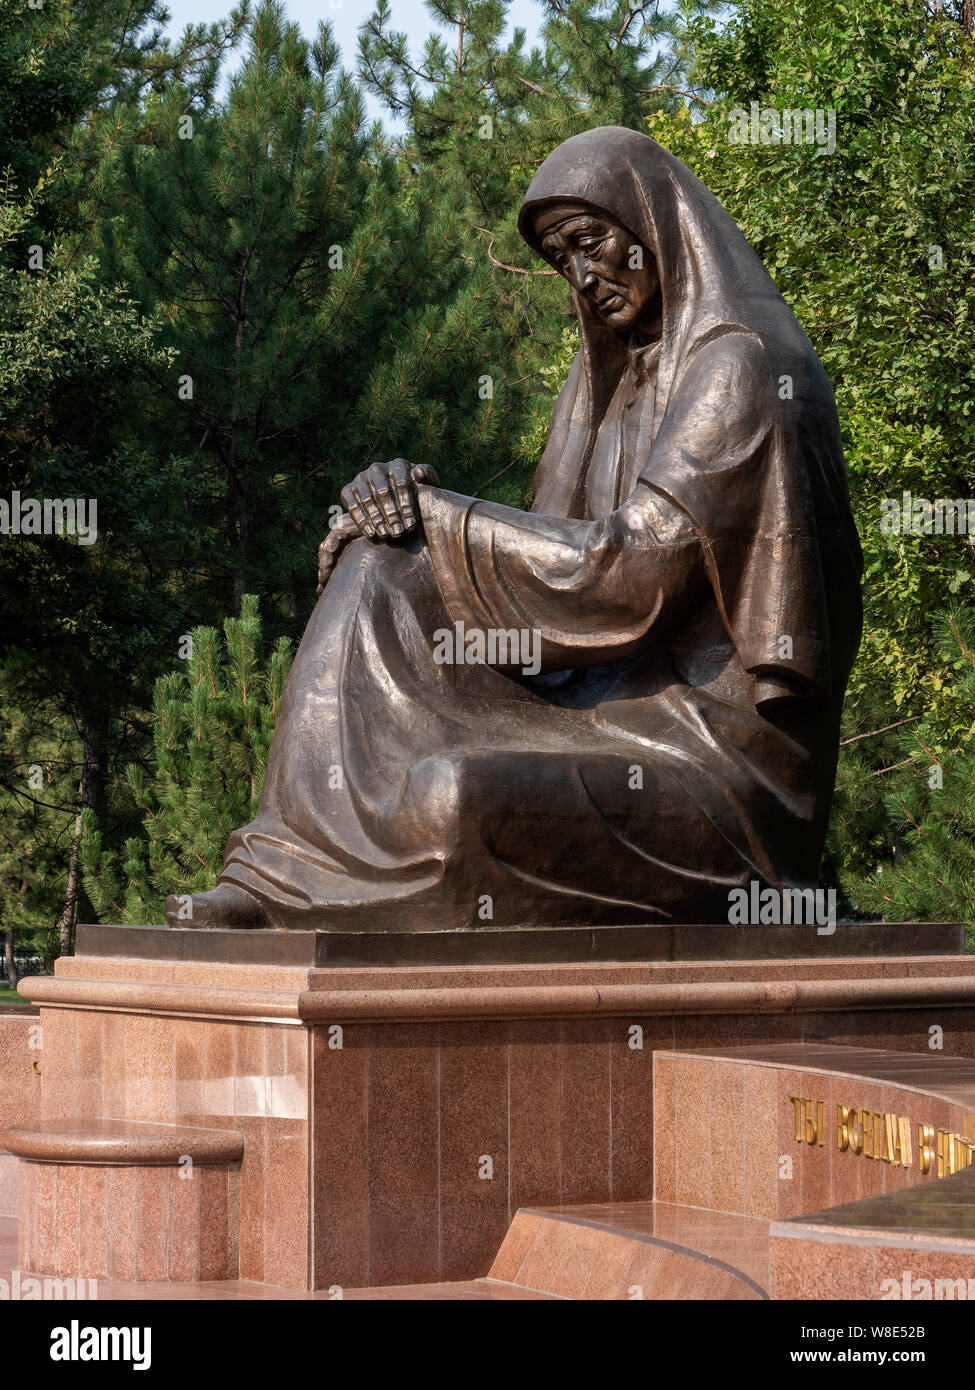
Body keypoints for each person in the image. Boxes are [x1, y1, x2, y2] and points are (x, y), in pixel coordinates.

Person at [166, 126, 862, 932]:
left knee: (453, 798)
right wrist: (407, 514)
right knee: (379, 558)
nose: (582, 273)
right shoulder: (618, 382)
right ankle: (273, 868)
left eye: (591, 241)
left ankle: (314, 883)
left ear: (655, 221)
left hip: (706, 763)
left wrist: (444, 519)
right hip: (591, 708)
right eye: (562, 258)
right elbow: (543, 565)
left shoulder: (739, 367)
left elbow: (622, 579)